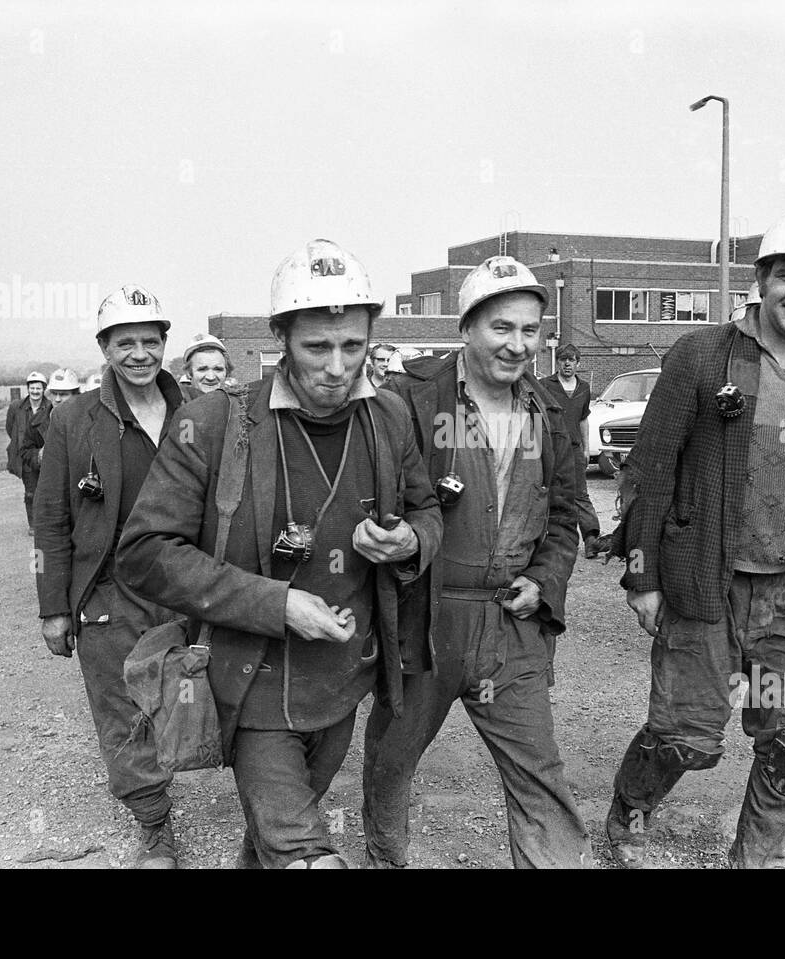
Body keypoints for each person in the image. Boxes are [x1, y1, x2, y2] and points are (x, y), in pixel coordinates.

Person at [117, 239, 442, 870]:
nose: (338, 366)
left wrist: (410, 543)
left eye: (353, 346)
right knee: (303, 850)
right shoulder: (215, 425)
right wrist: (278, 602)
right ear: (282, 340)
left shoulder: (391, 418)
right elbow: (145, 552)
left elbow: (428, 510)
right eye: (318, 347)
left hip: (344, 680)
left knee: (272, 839)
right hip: (253, 679)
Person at [605, 209, 785, 869]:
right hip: (705, 587)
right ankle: (629, 808)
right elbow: (650, 471)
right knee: (683, 738)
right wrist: (641, 576)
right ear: (762, 278)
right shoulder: (702, 356)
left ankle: (754, 856)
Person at [362, 254, 592, 869]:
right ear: (466, 328)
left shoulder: (549, 412)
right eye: (501, 328)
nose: (517, 345)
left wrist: (543, 581)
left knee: (539, 776)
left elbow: (567, 517)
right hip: (426, 617)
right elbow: (375, 497)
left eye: (529, 330)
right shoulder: (409, 401)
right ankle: (386, 859)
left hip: (511, 627)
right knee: (390, 760)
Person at [32, 285, 187, 868]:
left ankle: (263, 813)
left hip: (189, 585)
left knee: (206, 698)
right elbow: (50, 519)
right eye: (126, 342)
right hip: (108, 593)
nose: (141, 353)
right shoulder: (73, 421)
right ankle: (155, 827)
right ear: (105, 347)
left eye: (151, 340)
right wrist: (53, 606)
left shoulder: (198, 411)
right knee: (123, 711)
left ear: (165, 344)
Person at [540, 345, 607, 558]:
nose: (567, 364)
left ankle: (591, 539)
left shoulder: (584, 388)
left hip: (575, 449)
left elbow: (583, 419)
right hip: (552, 449)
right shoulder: (545, 385)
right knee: (549, 492)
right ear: (557, 362)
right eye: (563, 359)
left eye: (572, 360)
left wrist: (587, 448)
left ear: (578, 363)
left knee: (580, 495)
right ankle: (546, 541)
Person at [18, 368, 80, 485]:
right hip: (49, 484)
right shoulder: (36, 421)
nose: (57, 399)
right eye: (54, 393)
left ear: (75, 395)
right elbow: (25, 451)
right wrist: (39, 455)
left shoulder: (87, 420)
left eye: (63, 394)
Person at [6, 371, 50, 534]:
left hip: (45, 455)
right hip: (25, 455)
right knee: (31, 491)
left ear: (44, 389)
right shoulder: (16, 407)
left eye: (38, 388)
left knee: (46, 490)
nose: (35, 392)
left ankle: (46, 522)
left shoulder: (50, 406)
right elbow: (10, 428)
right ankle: (33, 524)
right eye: (32, 388)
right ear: (28, 389)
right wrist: (21, 444)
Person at [181, 332, 231, 396]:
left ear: (227, 372)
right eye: (202, 369)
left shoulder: (239, 405)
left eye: (218, 369)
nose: (211, 377)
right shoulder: (178, 405)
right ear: (188, 373)